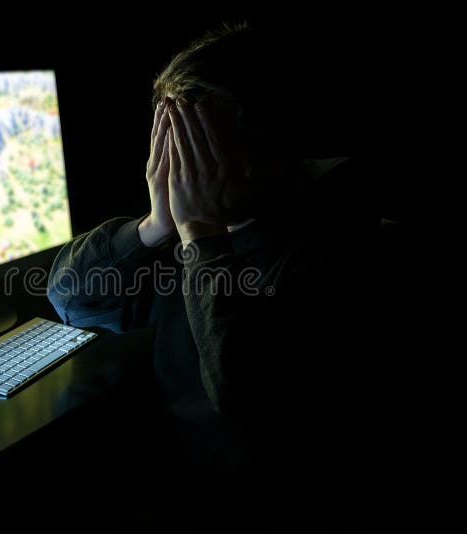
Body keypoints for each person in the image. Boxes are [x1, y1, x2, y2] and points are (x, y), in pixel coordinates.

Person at [47, 22, 399, 500]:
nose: (176, 172)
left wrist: (201, 238)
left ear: (262, 142)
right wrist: (154, 226)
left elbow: (247, 400)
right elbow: (69, 301)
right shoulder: (189, 228)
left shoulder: (333, 244)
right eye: (169, 146)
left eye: (194, 150)